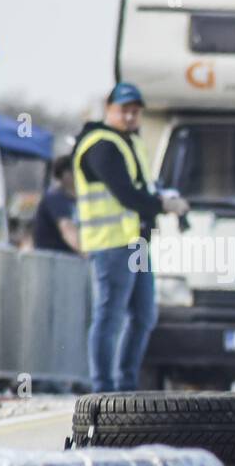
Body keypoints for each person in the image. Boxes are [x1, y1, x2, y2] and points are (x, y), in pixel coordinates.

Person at [71, 82, 188, 392]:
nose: (130, 115)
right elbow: (126, 195)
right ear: (109, 110)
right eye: (124, 110)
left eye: (135, 111)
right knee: (109, 318)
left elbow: (142, 188)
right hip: (111, 244)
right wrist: (163, 205)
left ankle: (125, 386)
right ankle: (103, 389)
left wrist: (161, 197)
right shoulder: (100, 145)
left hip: (135, 243)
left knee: (143, 316)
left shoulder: (130, 142)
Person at [31, 156, 79, 253]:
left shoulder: (75, 199)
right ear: (66, 174)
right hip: (54, 260)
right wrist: (88, 255)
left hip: (69, 259)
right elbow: (67, 229)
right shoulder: (55, 198)